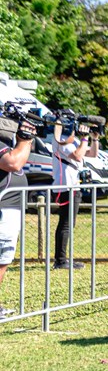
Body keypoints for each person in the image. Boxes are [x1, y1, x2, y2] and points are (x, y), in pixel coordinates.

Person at [0, 116, 36, 314]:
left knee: (3, 259)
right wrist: (25, 140)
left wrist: (25, 141)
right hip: (3, 210)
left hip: (10, 211)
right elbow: (13, 163)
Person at [52, 119, 99, 270]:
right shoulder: (61, 142)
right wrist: (84, 138)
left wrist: (94, 138)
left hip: (73, 187)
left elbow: (92, 154)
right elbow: (78, 156)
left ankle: (63, 258)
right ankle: (60, 260)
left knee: (69, 224)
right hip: (66, 187)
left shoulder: (73, 141)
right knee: (65, 224)